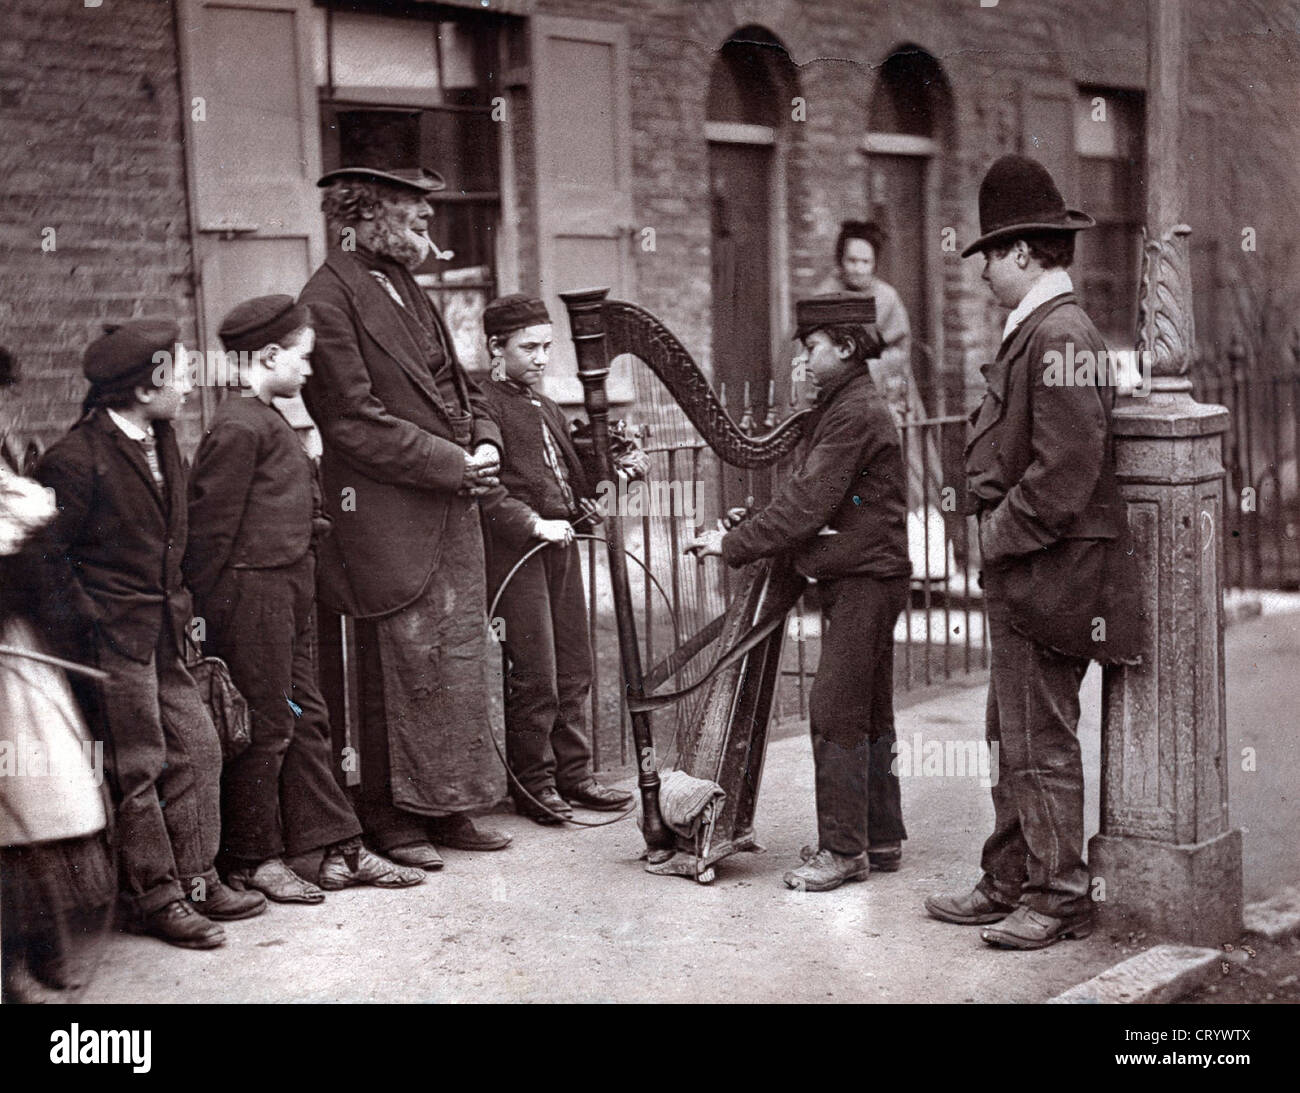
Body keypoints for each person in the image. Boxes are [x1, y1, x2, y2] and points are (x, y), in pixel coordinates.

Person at [924, 154, 1140, 949]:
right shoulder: (1043, 331)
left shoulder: (1061, 333)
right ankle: (1009, 876)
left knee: (1039, 739)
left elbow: (1066, 474)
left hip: (1053, 574)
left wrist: (992, 535)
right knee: (1008, 730)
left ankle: (1057, 894)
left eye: (987, 252)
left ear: (1023, 253)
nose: (978, 268)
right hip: (1030, 572)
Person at [299, 166, 509, 870]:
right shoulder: (327, 299)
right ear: (363, 214)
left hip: (448, 501)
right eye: (413, 214)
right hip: (386, 513)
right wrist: (453, 462)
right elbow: (352, 423)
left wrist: (484, 438)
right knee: (397, 662)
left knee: (452, 657)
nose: (427, 225)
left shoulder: (406, 281)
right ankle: (389, 820)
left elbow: (460, 378)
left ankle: (447, 804)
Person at [184, 295, 426, 903]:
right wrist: (212, 616)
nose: (310, 371)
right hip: (250, 596)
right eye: (303, 359)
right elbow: (210, 533)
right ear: (269, 355)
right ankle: (253, 857)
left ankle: (333, 845)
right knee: (267, 726)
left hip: (288, 589)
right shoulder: (238, 425)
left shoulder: (268, 418)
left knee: (306, 718)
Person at [34, 321, 266, 950]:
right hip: (114, 641)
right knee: (138, 767)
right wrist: (91, 630)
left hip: (165, 630)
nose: (192, 383)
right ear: (144, 386)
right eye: (182, 372)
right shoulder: (75, 460)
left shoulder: (162, 438)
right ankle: (156, 897)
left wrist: (182, 607)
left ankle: (196, 878)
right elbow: (52, 564)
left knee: (200, 746)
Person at [687, 293, 912, 891]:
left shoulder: (855, 411)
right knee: (868, 706)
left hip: (866, 579)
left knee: (835, 707)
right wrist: (754, 520)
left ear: (844, 345)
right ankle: (880, 837)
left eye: (812, 347)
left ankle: (843, 851)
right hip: (866, 574)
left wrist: (730, 546)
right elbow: (813, 497)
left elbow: (809, 505)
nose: (806, 360)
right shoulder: (843, 405)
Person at [476, 294, 639, 824]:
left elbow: (570, 474)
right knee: (536, 671)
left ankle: (575, 774)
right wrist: (531, 523)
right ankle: (534, 782)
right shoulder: (482, 403)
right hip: (517, 554)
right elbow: (486, 489)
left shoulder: (544, 405)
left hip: (562, 546)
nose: (543, 357)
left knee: (575, 664)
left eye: (548, 346)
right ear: (496, 348)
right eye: (529, 347)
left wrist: (610, 472)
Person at [1, 348, 115, 1002]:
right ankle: (13, 965)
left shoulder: (11, 452)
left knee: (37, 802)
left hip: (19, 649)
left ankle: (40, 948)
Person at [820, 220, 950, 581]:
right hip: (840, 401)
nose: (858, 268)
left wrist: (864, 371)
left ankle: (921, 564)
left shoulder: (887, 298)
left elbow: (898, 351)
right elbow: (814, 348)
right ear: (840, 261)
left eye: (865, 262)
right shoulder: (825, 295)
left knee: (906, 470)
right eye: (851, 261)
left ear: (874, 264)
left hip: (886, 396)